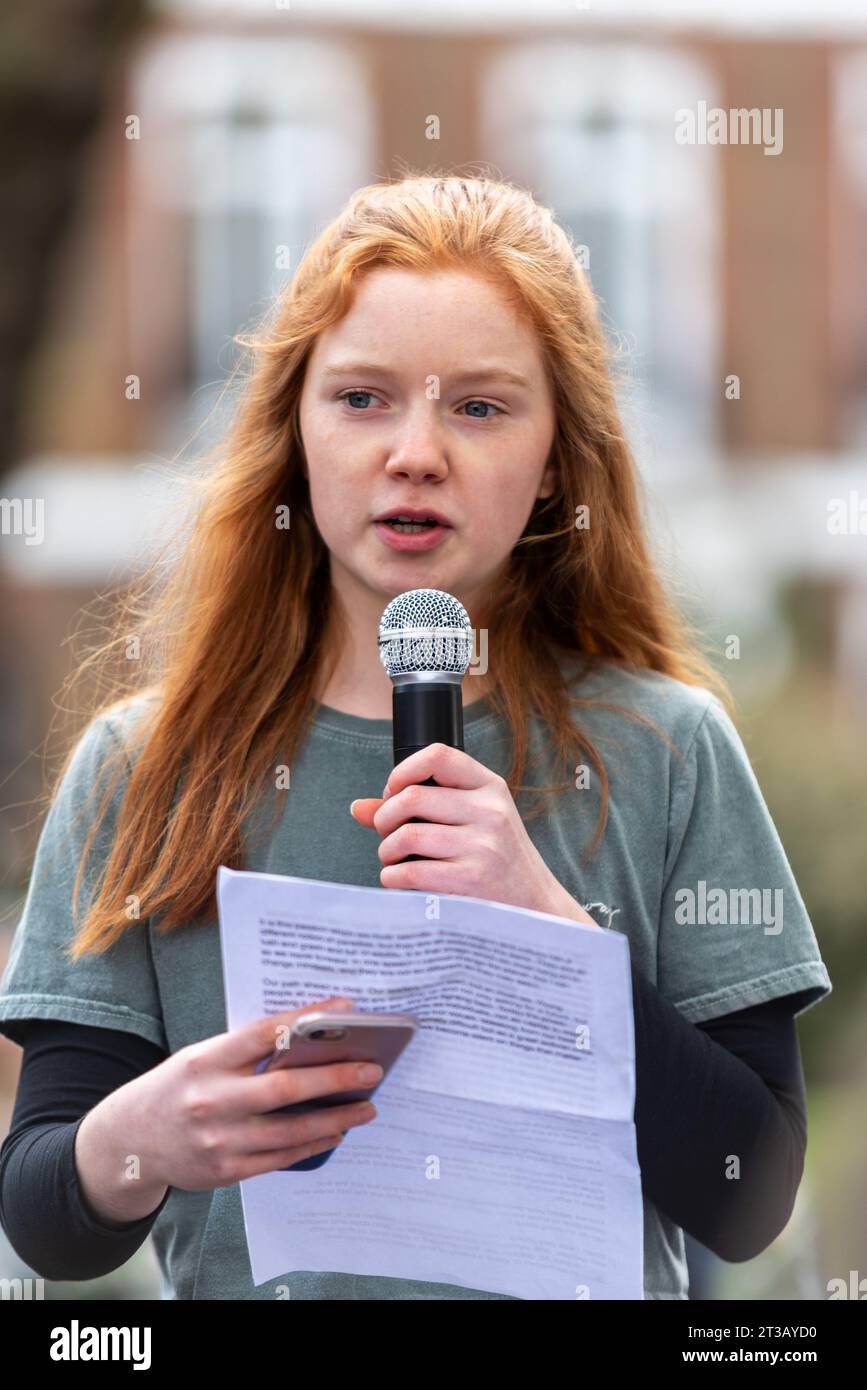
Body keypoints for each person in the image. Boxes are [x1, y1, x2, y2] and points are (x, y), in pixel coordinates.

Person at [0, 172, 831, 1300]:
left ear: (555, 463)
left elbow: (752, 1196)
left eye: (481, 407)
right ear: (294, 429)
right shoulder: (143, 767)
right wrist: (147, 1133)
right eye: (362, 398)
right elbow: (50, 1220)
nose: (417, 453)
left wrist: (550, 935)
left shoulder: (667, 750)